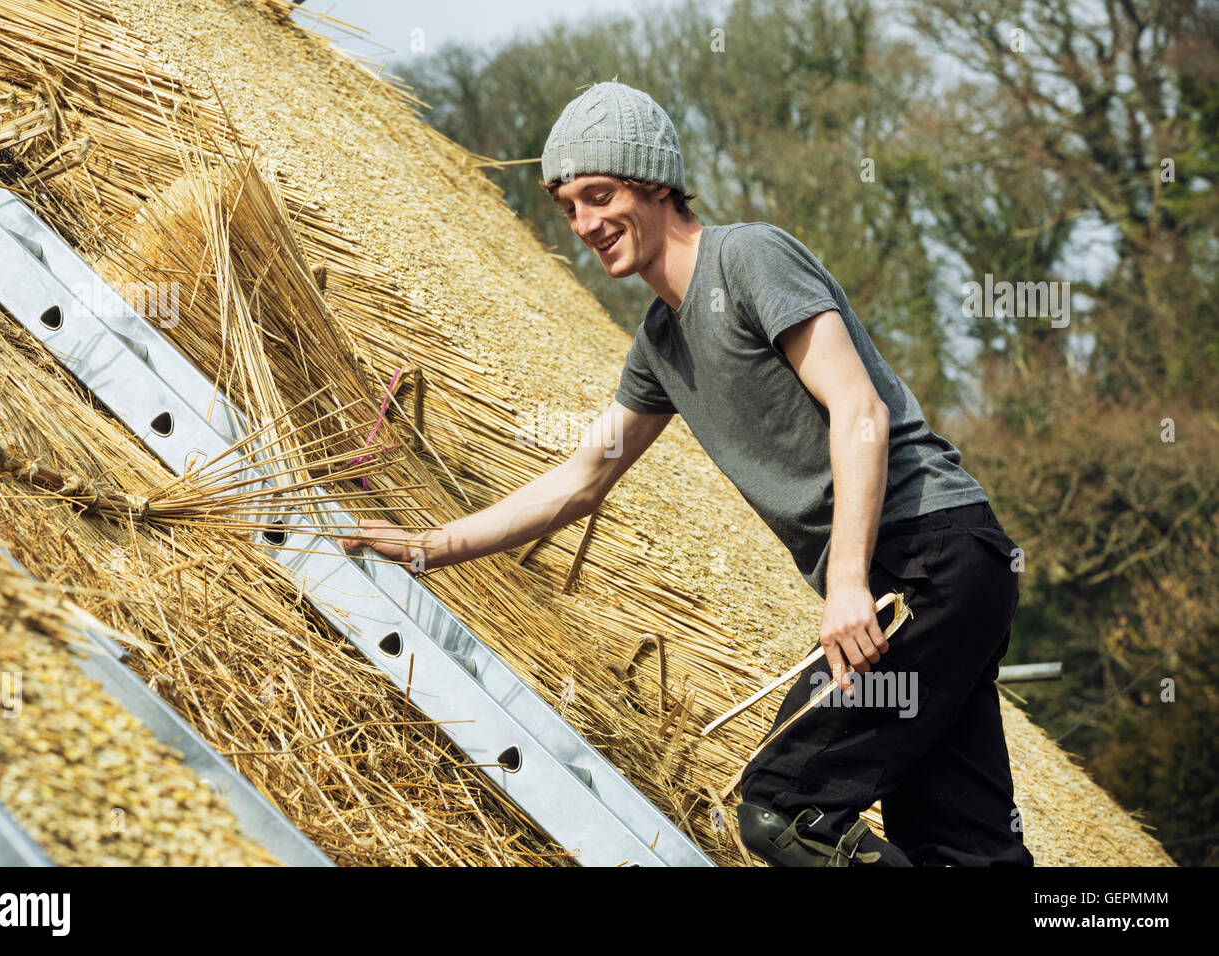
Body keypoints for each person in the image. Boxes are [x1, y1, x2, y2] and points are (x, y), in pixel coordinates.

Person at [341, 81, 1033, 867]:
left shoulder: (748, 260)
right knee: (965, 847)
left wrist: (844, 582)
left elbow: (861, 412)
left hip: (929, 558)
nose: (585, 224)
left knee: (786, 808)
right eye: (568, 206)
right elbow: (579, 482)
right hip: (936, 573)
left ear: (655, 183)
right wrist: (432, 545)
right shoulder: (660, 347)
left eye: (599, 195)